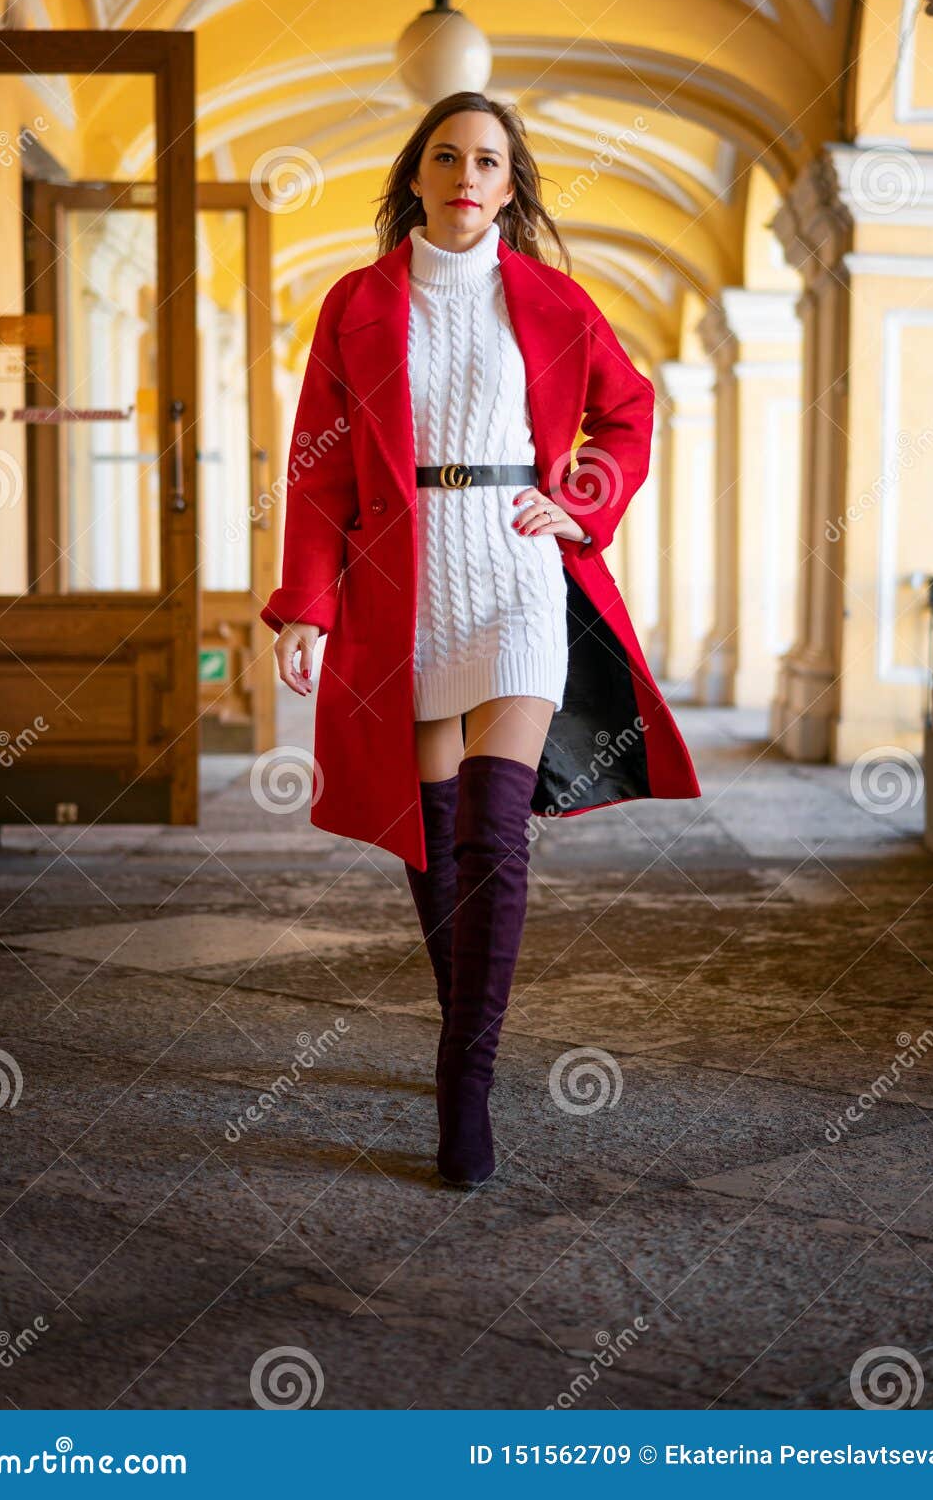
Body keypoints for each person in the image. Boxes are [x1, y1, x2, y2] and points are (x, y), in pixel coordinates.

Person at [260, 90, 700, 1188]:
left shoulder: (551, 300)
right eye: (447, 156)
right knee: (436, 834)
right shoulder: (355, 303)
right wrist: (305, 604)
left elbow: (627, 411)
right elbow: (315, 468)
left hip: (515, 577)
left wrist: (583, 501)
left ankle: (466, 1076)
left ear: (510, 185)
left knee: (497, 832)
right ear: (416, 173)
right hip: (399, 589)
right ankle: (463, 1026)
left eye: (489, 162)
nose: (466, 176)